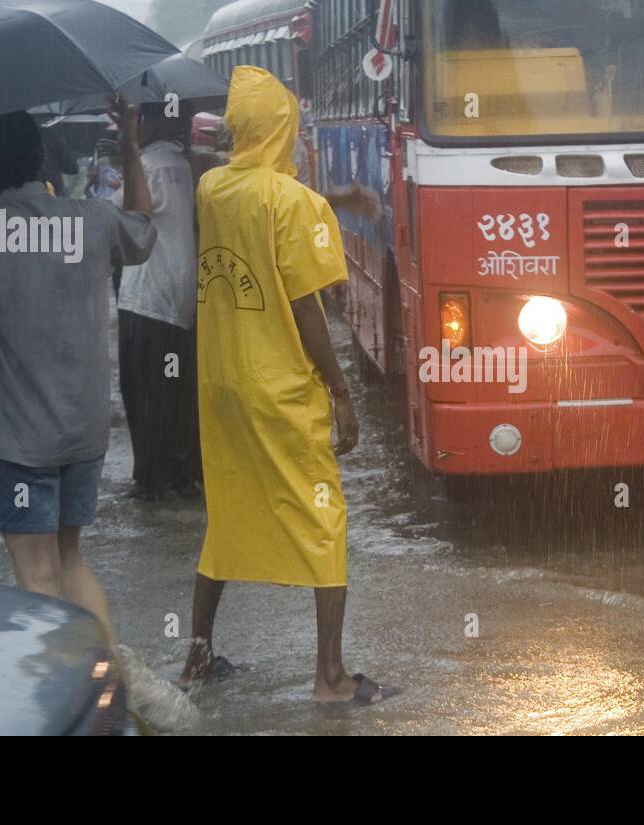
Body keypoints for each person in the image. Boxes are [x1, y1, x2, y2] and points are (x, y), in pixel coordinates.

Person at [179, 67, 395, 705]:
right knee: (325, 521)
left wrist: (337, 199)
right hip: (279, 390)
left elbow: (264, 199)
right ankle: (332, 678)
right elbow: (306, 308)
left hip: (222, 387)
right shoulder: (294, 203)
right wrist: (342, 390)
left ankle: (197, 659)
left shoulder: (211, 188)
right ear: (283, 130)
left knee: (227, 516)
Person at [0, 104, 156, 638]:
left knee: (37, 576)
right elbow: (145, 231)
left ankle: (66, 707)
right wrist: (130, 148)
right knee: (69, 561)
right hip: (83, 430)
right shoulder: (94, 219)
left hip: (18, 437)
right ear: (41, 153)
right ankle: (113, 684)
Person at [114, 102, 202, 500]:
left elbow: (127, 215)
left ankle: (150, 479)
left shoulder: (149, 165)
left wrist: (128, 151)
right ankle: (182, 473)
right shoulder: (189, 167)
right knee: (175, 388)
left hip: (146, 301)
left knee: (143, 391)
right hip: (181, 303)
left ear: (149, 121)